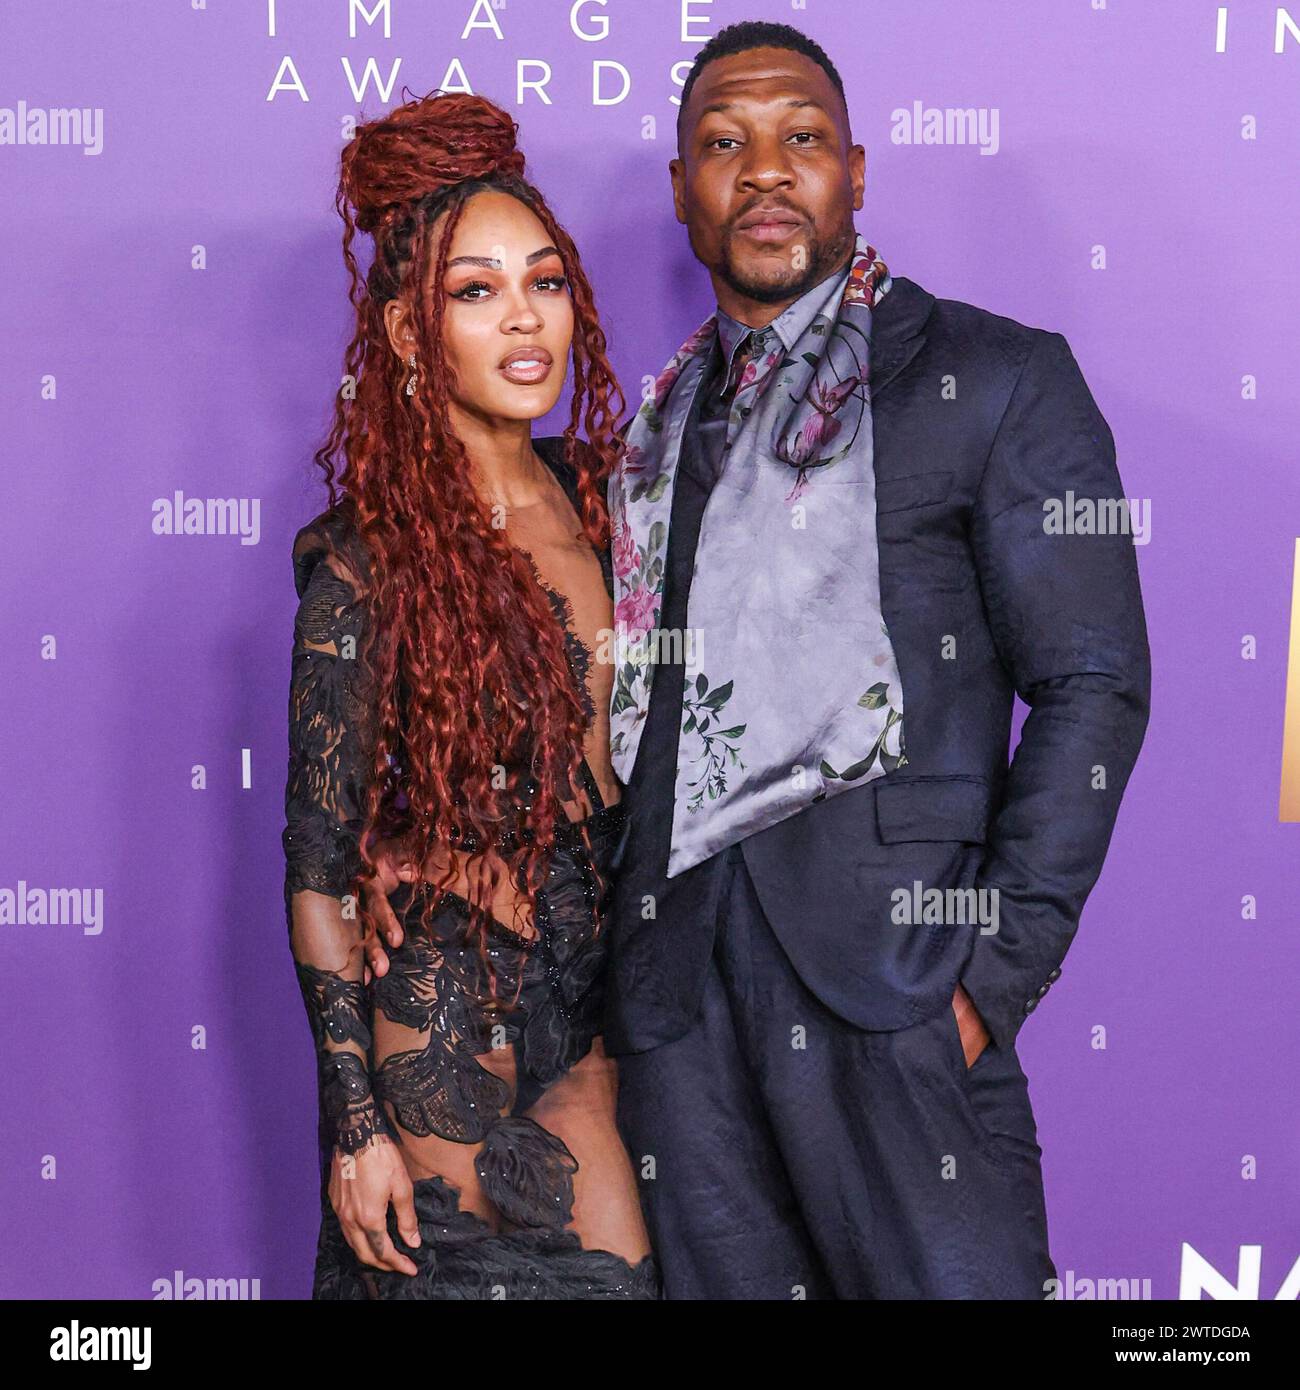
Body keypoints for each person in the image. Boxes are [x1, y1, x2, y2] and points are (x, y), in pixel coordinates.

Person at [599, 22, 1152, 1299]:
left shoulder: (995, 377)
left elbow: (1093, 686)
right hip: (679, 1004)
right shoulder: (657, 423)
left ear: (855, 171)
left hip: (895, 987)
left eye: (800, 139)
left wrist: (985, 977)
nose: (766, 171)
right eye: (723, 145)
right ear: (685, 192)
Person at [281, 90, 657, 1299]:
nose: (524, 320)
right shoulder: (366, 560)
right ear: (406, 331)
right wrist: (354, 1127)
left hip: (596, 994)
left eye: (543, 281)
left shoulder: (612, 499)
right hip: (454, 998)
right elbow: (316, 860)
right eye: (474, 291)